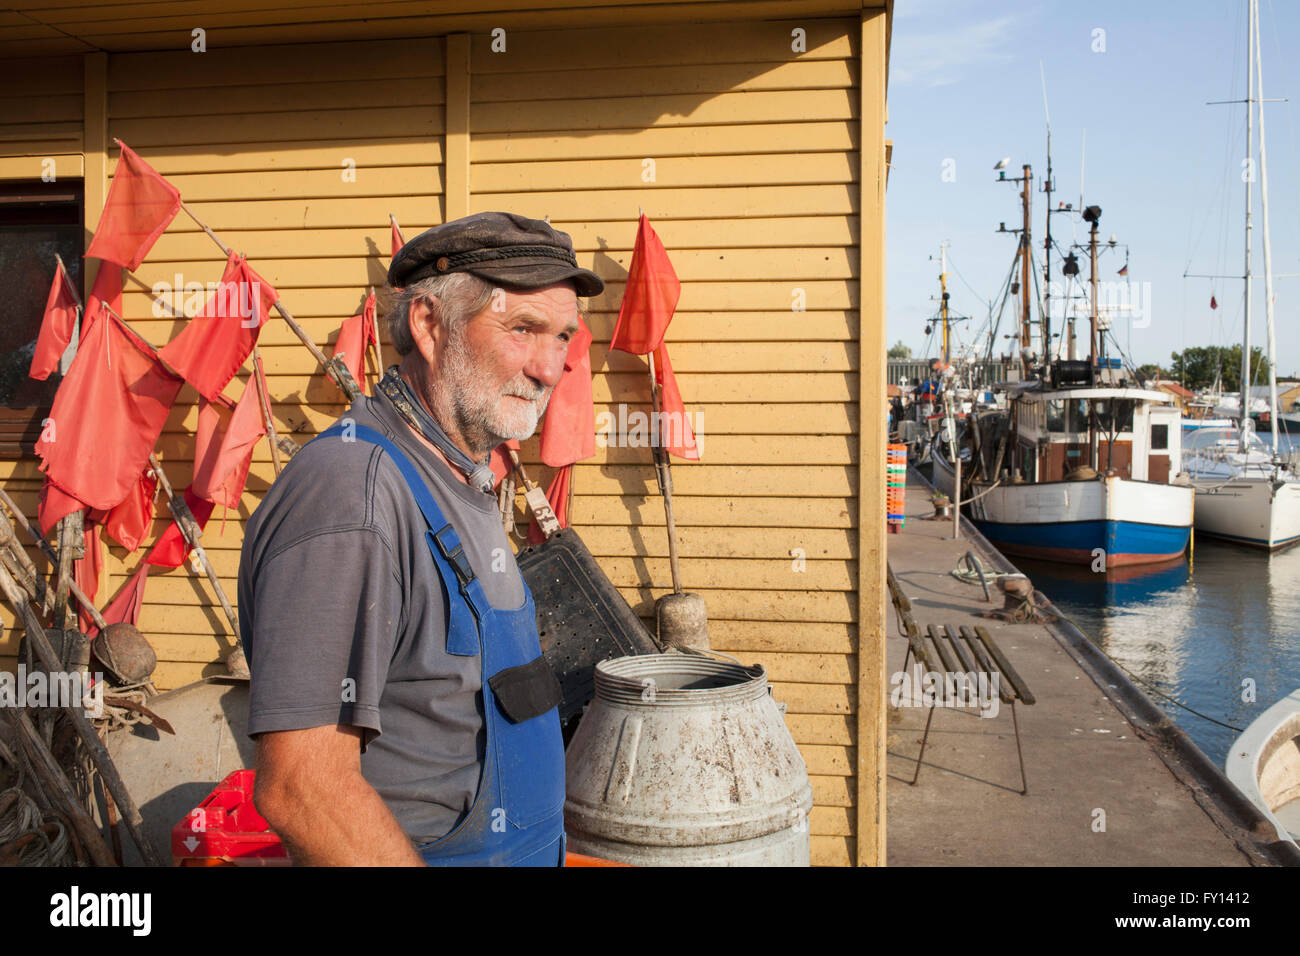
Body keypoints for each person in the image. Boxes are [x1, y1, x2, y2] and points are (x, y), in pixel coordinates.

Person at [237, 212, 603, 866]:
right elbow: (303, 788)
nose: (550, 368)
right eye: (522, 329)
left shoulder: (458, 472)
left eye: (563, 337)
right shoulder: (353, 492)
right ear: (430, 326)